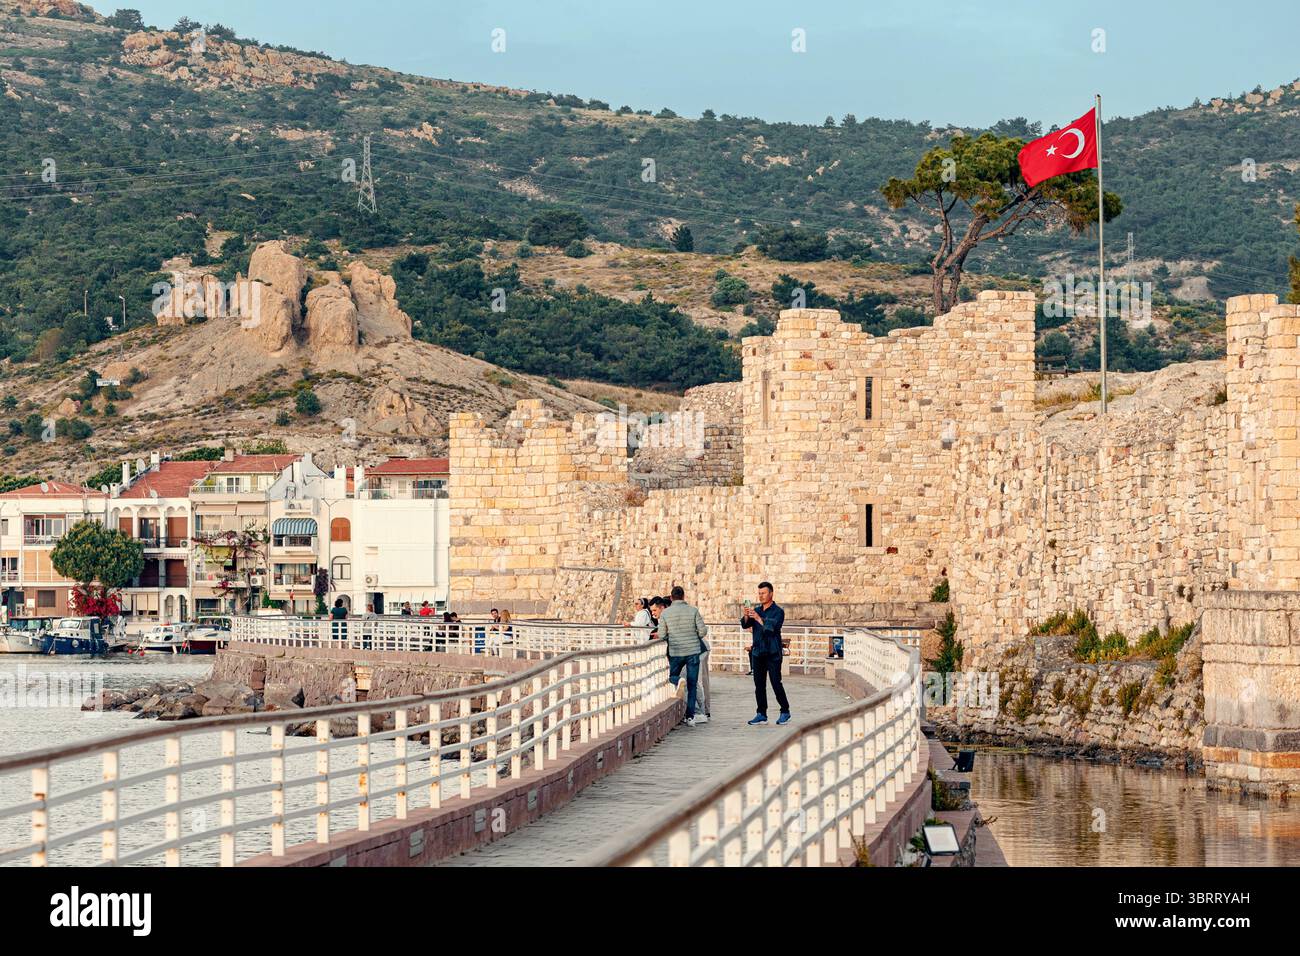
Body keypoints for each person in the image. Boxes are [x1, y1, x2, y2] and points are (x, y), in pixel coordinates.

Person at [654, 586, 708, 727]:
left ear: (671, 598)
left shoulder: (666, 614)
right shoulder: (693, 611)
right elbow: (702, 631)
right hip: (693, 651)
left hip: (675, 652)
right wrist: (692, 636)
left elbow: (662, 634)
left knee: (671, 677)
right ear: (683, 596)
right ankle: (690, 717)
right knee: (692, 685)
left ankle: (678, 680)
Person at [741, 581, 790, 725]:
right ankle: (761, 713)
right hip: (758, 653)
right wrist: (746, 616)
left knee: (776, 683)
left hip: (773, 653)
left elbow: (771, 628)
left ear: (771, 594)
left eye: (763, 593)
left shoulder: (778, 611)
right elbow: (745, 625)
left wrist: (757, 618)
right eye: (759, 593)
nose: (761, 596)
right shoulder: (757, 609)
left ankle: (785, 711)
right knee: (759, 685)